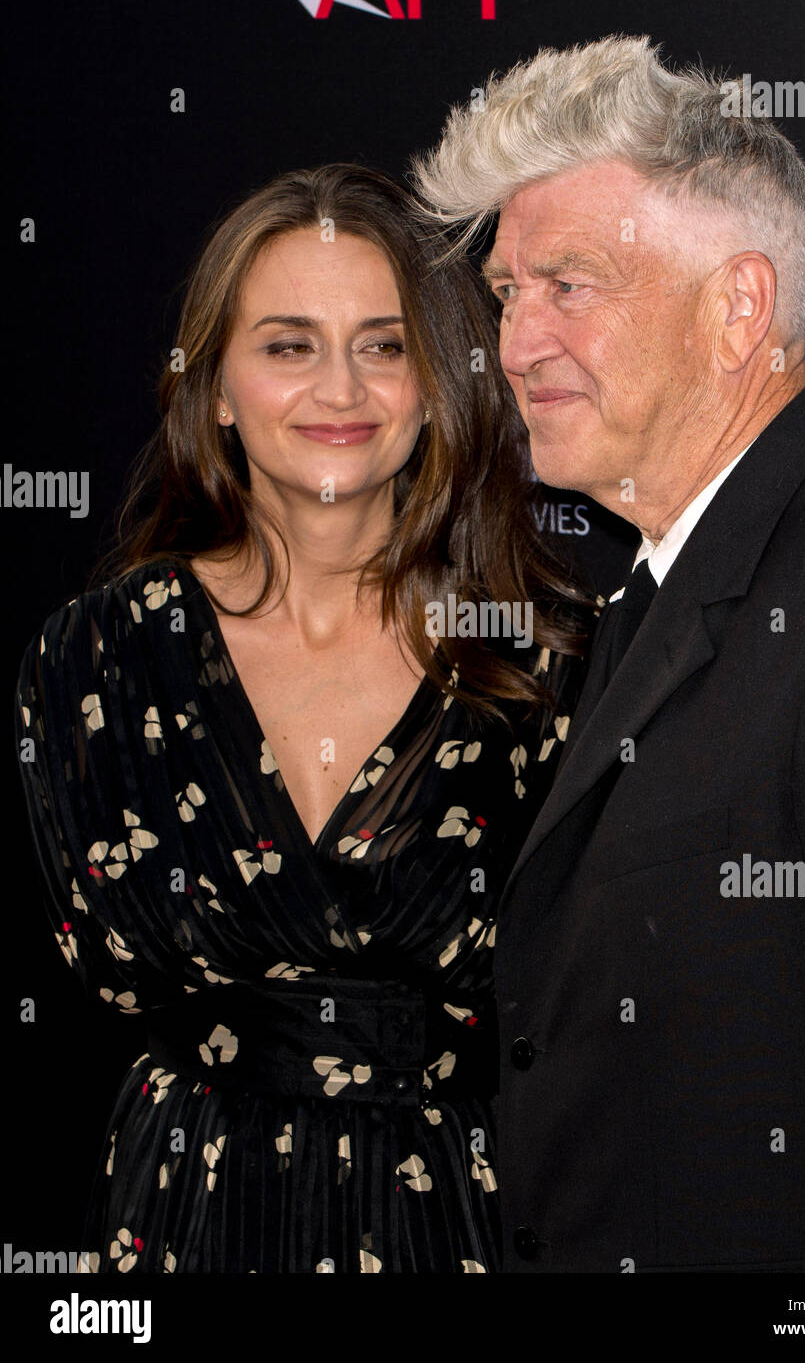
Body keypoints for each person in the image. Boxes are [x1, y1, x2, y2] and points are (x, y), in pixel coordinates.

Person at [414, 35, 805, 1272]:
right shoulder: (644, 604)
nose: (514, 345)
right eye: (507, 293)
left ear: (738, 310)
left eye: (569, 284)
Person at [15, 163, 590, 1274]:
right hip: (183, 1216)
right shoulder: (96, 661)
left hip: (462, 1223)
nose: (342, 389)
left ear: (436, 383)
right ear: (215, 386)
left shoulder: (553, 658)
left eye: (384, 345)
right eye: (288, 345)